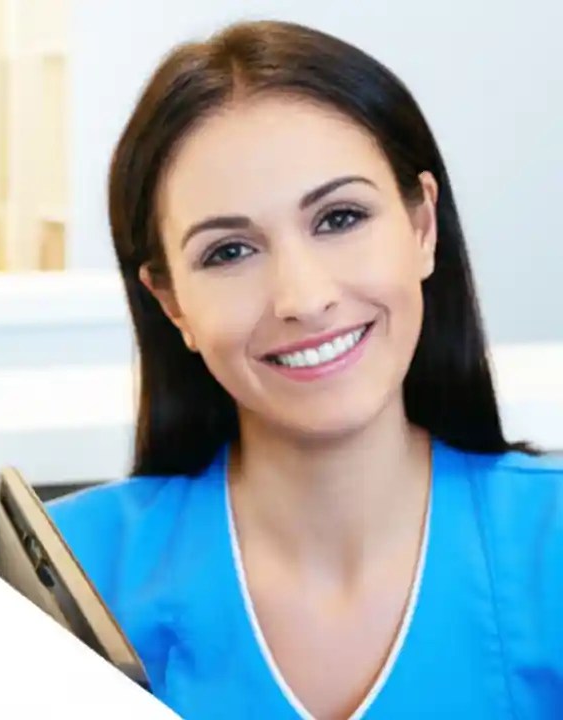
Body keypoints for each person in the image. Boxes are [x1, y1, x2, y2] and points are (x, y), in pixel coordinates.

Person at [48, 21, 562, 720]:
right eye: (229, 252)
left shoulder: (549, 541)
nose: (304, 297)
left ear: (422, 228)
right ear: (171, 303)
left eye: (340, 217)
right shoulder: (72, 576)